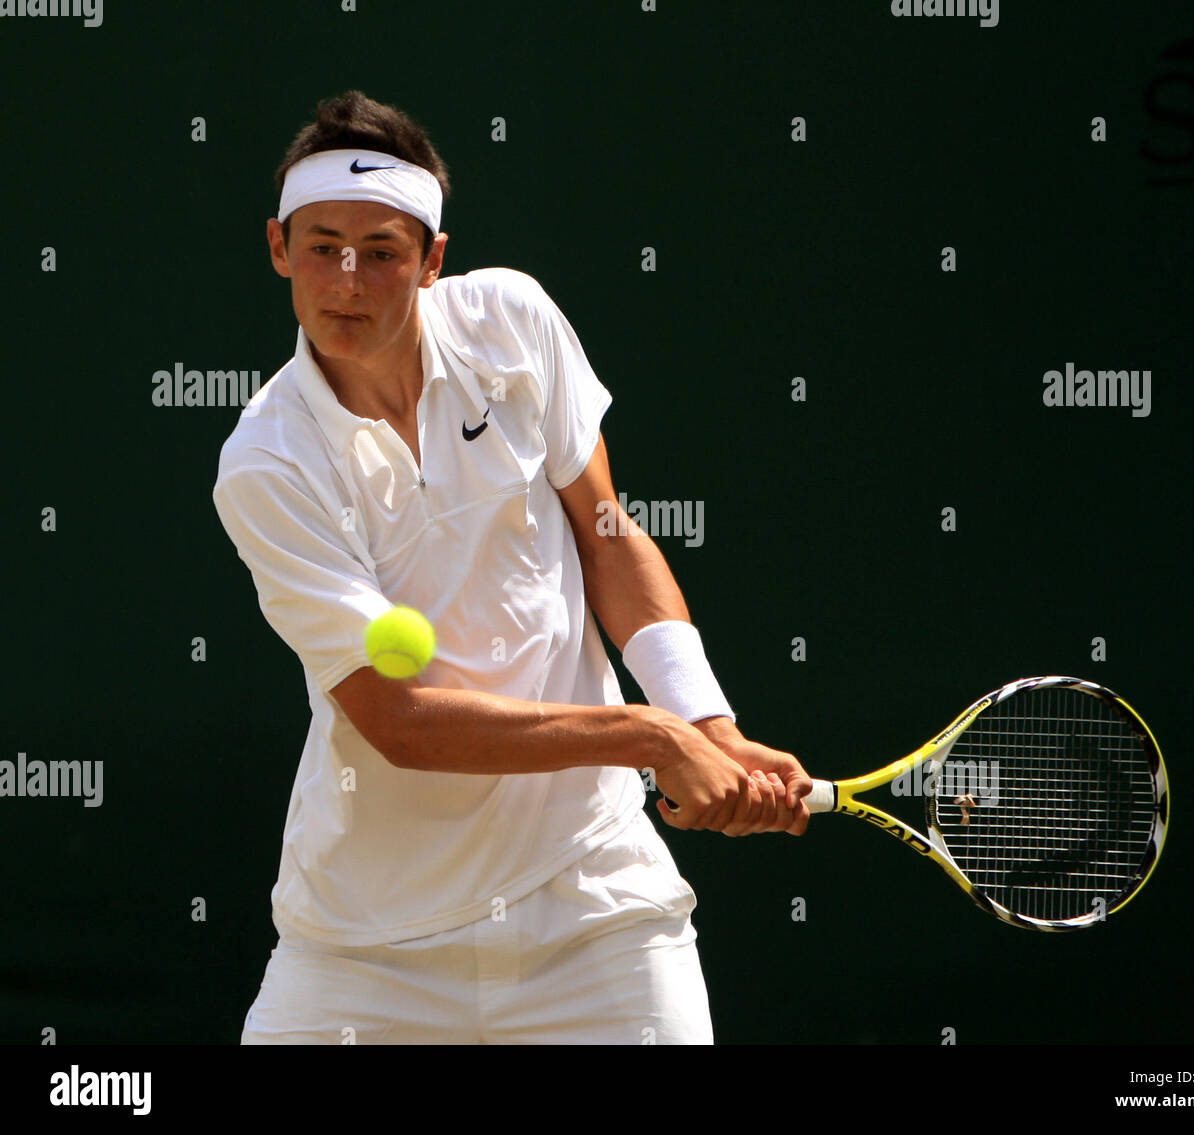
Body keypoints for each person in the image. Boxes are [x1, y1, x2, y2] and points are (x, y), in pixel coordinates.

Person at [212, 90, 812, 1045]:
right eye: (322, 246)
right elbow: (399, 723)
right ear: (279, 248)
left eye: (384, 251)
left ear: (433, 260)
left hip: (597, 908)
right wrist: (655, 739)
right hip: (367, 951)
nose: (349, 281)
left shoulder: (513, 321)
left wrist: (709, 724)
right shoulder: (267, 463)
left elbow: (607, 533)